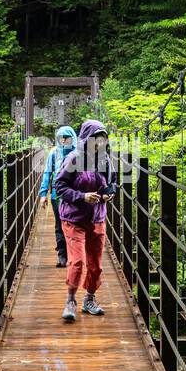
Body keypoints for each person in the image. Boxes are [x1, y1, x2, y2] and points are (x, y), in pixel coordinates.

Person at [54, 119, 116, 323]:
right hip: (74, 218)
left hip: (97, 218)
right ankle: (70, 300)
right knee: (78, 262)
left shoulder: (106, 160)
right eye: (97, 139)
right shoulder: (74, 159)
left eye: (103, 139)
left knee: (96, 264)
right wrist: (82, 196)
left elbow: (113, 183)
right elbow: (60, 186)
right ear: (87, 139)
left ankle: (89, 299)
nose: (100, 143)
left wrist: (109, 194)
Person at [38, 125, 77, 267]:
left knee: (74, 224)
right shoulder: (54, 152)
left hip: (74, 195)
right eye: (61, 138)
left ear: (73, 138)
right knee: (60, 224)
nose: (64, 141)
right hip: (57, 195)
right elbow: (48, 172)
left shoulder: (80, 153)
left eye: (66, 138)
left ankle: (74, 255)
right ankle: (62, 256)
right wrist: (43, 194)